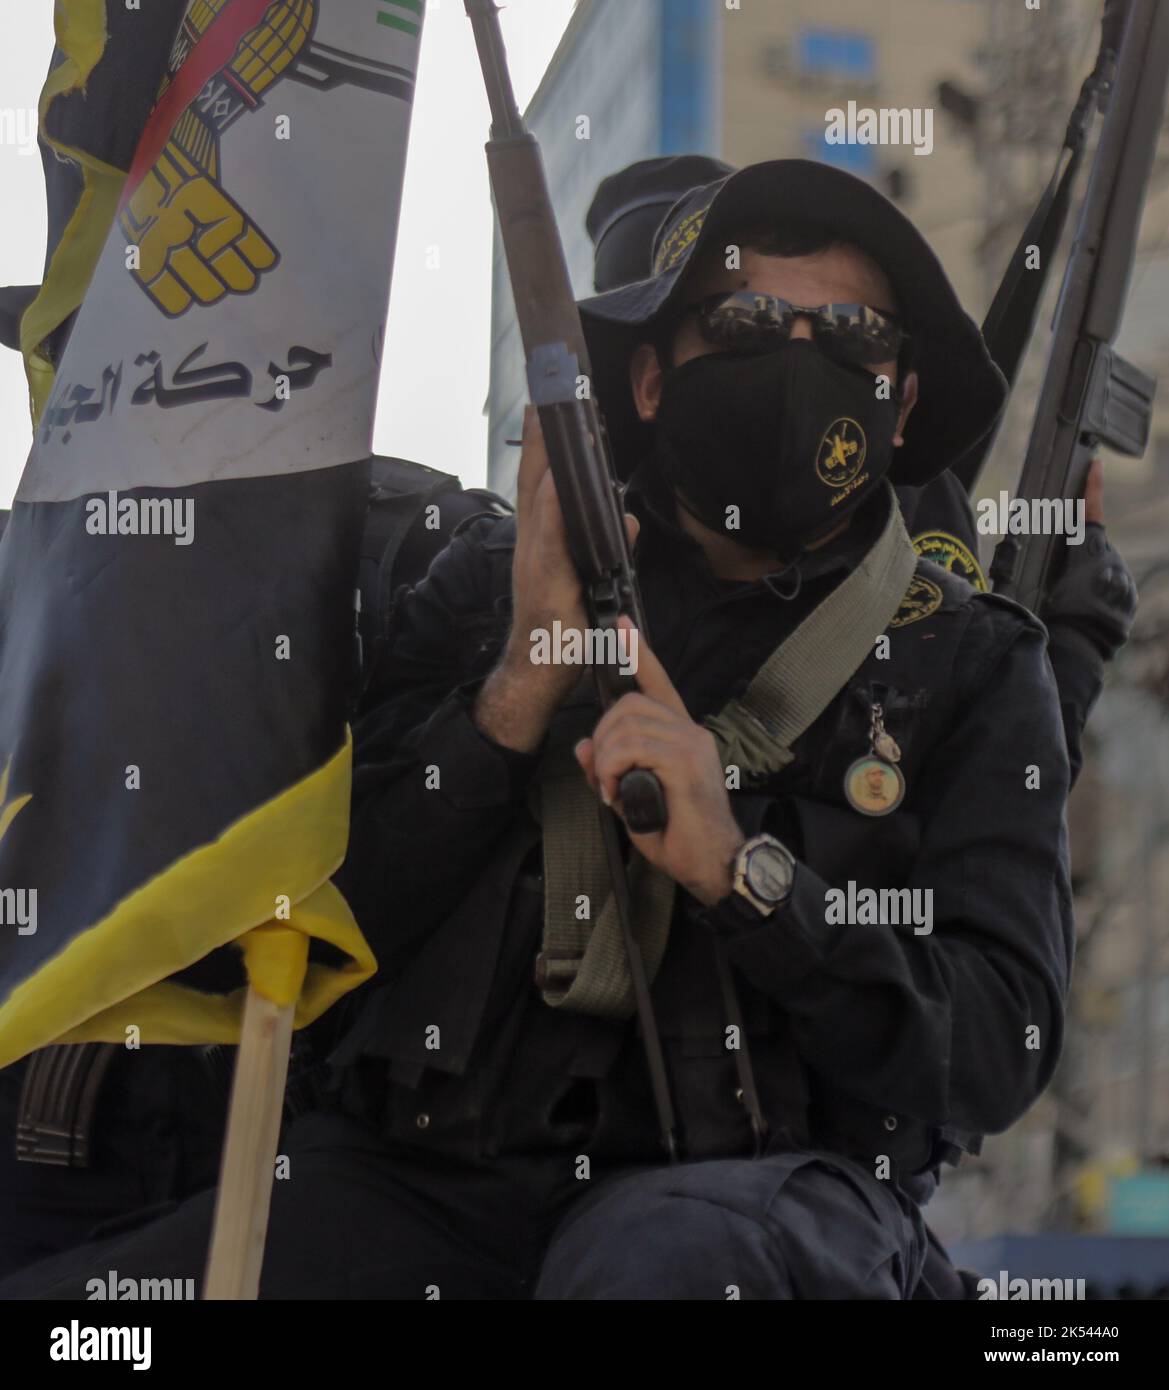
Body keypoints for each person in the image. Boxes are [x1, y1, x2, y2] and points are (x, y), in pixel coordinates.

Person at [1, 158, 1078, 1300]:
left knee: (660, 1260)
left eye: (853, 335)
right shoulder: (486, 581)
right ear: (652, 378)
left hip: (753, 1203)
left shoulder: (971, 662)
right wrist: (517, 683)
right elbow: (325, 911)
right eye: (748, 318)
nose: (797, 356)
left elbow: (997, 1042)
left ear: (900, 401)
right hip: (419, 1186)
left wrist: (744, 876)